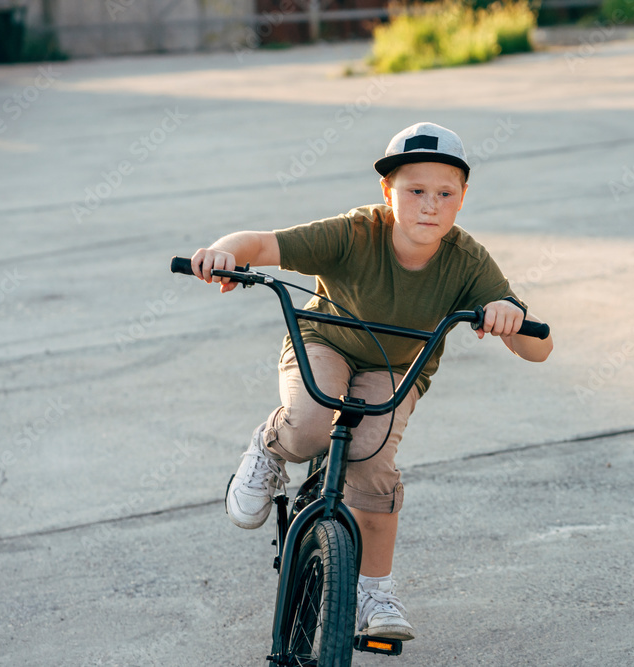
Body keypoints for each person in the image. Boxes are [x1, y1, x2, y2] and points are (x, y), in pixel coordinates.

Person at [190, 122, 553, 641]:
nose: (430, 205)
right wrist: (223, 252)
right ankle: (270, 446)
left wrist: (508, 316)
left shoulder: (467, 260)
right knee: (312, 425)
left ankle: (374, 591)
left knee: (372, 459)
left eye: (445, 194)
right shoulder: (355, 232)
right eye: (416, 191)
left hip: (394, 367)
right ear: (388, 191)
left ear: (462, 199)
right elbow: (260, 243)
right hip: (325, 342)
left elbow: (538, 350)